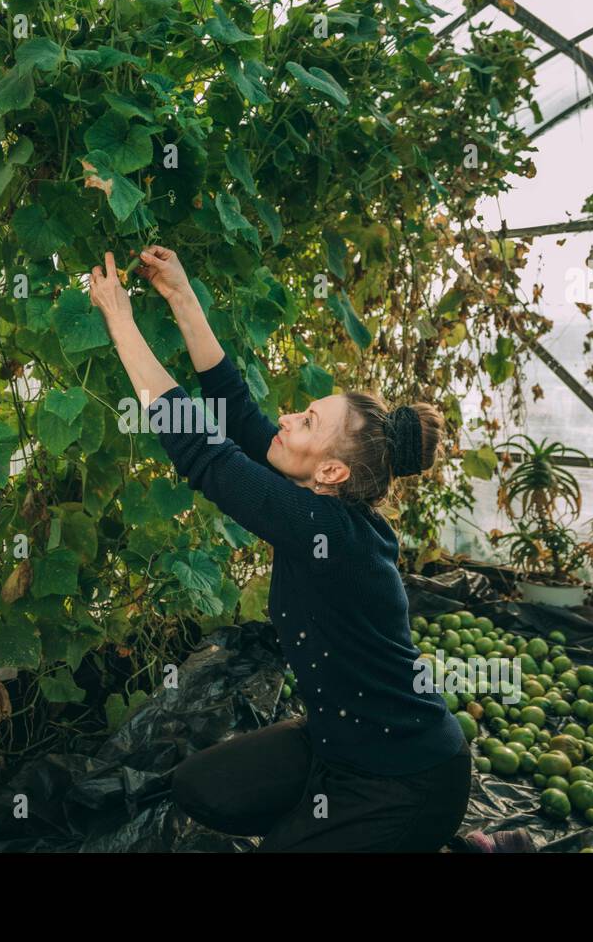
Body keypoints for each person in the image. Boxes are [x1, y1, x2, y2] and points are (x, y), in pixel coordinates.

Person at [86, 246, 473, 852]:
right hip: (333, 743)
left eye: (308, 422)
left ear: (334, 473)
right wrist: (179, 294)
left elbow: (204, 452)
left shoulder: (332, 536)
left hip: (407, 780)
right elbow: (234, 410)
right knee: (199, 788)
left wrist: (120, 320)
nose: (287, 418)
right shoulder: (325, 509)